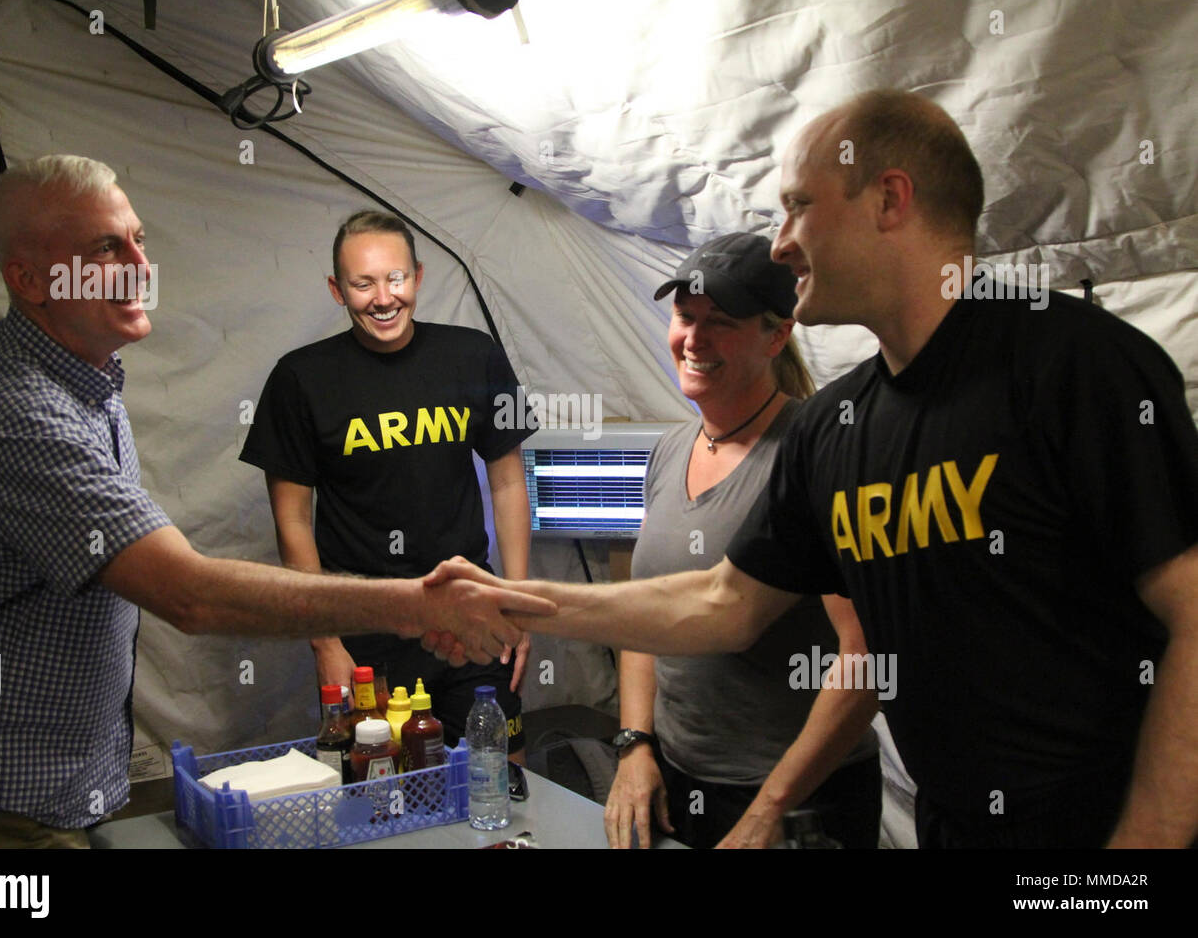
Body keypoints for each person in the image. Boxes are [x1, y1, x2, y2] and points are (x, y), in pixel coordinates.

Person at [425, 90, 1198, 848]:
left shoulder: (1070, 364)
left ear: (889, 199)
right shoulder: (839, 428)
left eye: (798, 207)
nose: (784, 243)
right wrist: (517, 601)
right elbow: (722, 603)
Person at [0, 157, 547, 848]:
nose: (140, 266)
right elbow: (190, 594)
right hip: (1, 802)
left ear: (417, 279)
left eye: (139, 239)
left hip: (56, 785)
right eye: (104, 249)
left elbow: (506, 475)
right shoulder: (16, 414)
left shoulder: (88, 391)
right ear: (28, 279)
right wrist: (416, 606)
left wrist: (494, 593)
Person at [605, 232, 881, 849]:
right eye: (685, 317)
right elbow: (644, 618)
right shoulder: (670, 450)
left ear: (776, 335)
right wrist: (635, 744)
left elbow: (865, 657)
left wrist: (769, 811)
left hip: (797, 800)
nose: (694, 340)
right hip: (679, 782)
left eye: (721, 323)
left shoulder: (814, 453)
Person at [240, 210, 535, 763]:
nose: (384, 298)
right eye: (363, 283)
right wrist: (326, 643)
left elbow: (509, 484)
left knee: (501, 781)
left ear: (417, 278)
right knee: (384, 797)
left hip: (470, 616)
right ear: (337, 289)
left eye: (395, 279)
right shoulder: (298, 379)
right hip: (363, 633)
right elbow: (292, 521)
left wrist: (516, 602)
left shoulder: (475, 355)